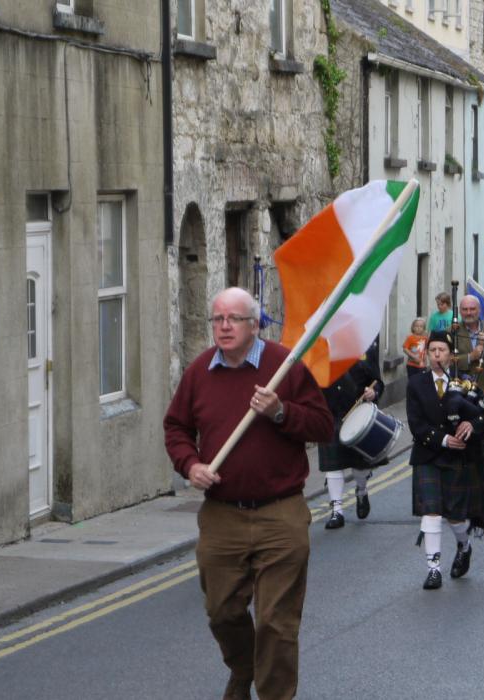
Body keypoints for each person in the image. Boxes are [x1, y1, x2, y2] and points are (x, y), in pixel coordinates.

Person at [163, 287, 333, 700]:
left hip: (280, 513)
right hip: (222, 515)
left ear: (254, 325)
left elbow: (322, 426)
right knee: (221, 611)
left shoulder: (284, 367)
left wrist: (280, 411)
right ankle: (244, 669)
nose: (224, 327)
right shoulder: (200, 372)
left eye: (233, 319)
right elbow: (177, 428)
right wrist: (191, 465)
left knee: (276, 621)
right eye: (217, 319)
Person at [406, 331, 484, 590]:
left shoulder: (465, 383)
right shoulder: (416, 384)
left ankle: (464, 545)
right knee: (431, 512)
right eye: (433, 350)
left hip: (457, 459)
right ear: (427, 354)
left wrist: (472, 424)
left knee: (455, 516)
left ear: (451, 355)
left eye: (442, 350)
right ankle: (433, 569)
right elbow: (416, 424)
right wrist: (445, 440)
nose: (437, 355)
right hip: (428, 455)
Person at [318, 346, 383, 529]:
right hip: (330, 413)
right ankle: (337, 511)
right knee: (333, 466)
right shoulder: (320, 350)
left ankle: (361, 491)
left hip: (358, 412)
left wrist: (374, 392)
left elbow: (377, 381)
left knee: (359, 466)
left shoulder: (365, 348)